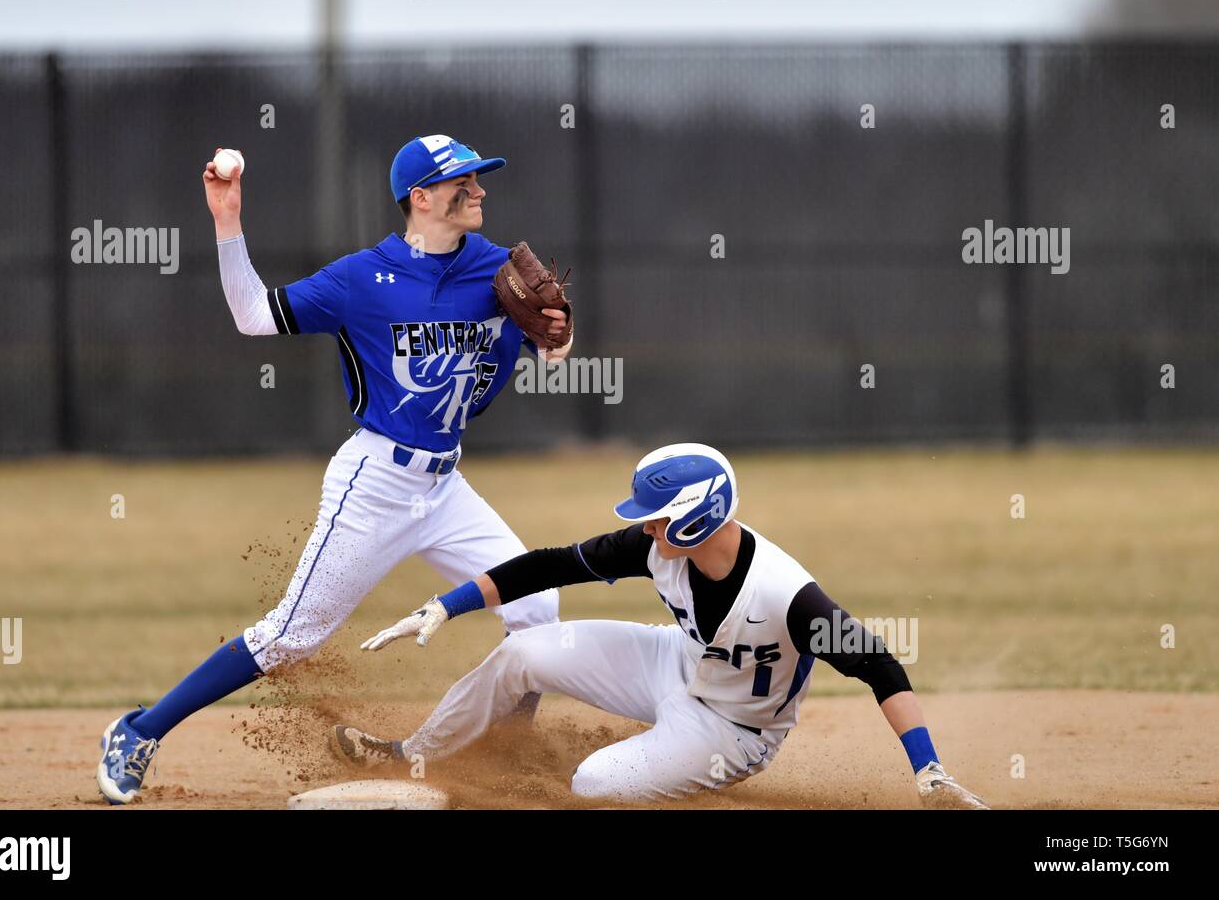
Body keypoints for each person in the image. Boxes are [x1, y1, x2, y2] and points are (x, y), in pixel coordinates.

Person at [96, 135, 567, 804]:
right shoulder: (360, 279)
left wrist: (557, 337)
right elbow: (253, 315)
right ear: (421, 197)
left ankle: (504, 752)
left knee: (538, 603)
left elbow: (549, 333)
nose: (480, 190)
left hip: (444, 486)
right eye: (463, 182)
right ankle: (137, 730)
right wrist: (228, 220)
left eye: (479, 178)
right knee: (290, 637)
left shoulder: (494, 269)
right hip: (375, 483)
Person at [346, 443, 989, 807]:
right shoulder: (657, 549)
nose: (646, 526)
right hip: (673, 663)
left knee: (592, 784)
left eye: (656, 516)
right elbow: (551, 565)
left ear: (695, 518)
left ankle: (661, 765)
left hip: (733, 730)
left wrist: (927, 768)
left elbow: (879, 665)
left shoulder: (789, 596)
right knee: (523, 653)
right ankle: (415, 753)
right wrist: (446, 605)